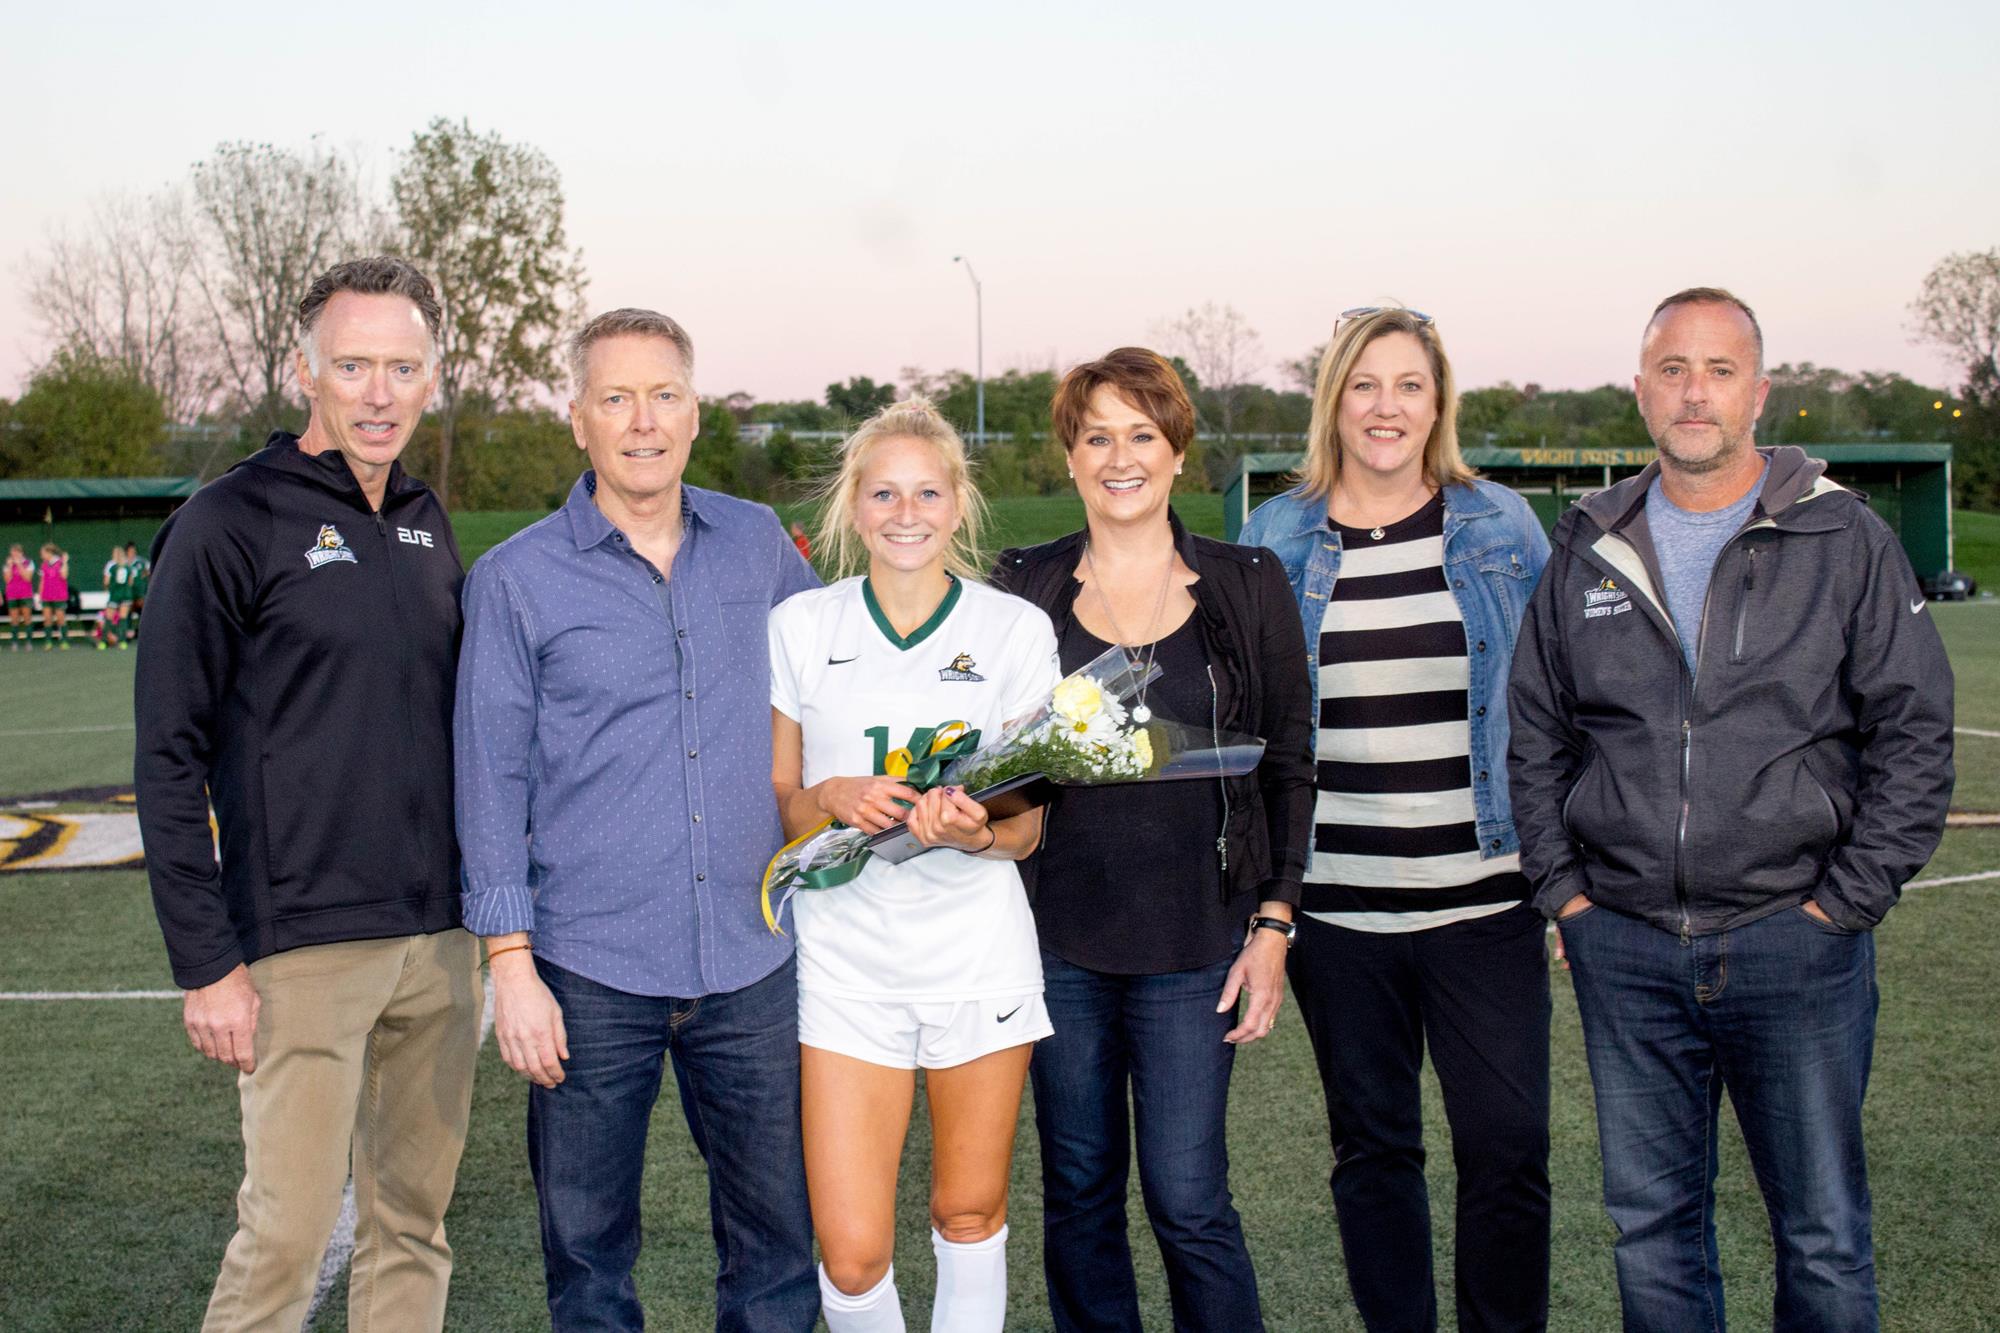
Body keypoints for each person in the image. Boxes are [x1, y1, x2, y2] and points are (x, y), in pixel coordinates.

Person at [1508, 287, 1955, 1332]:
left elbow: (1913, 734)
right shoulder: (1586, 541)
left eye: (1715, 371)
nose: (1692, 392)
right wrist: (1565, 898)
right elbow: (1533, 732)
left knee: (1820, 1235)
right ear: (1638, 390)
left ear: (1757, 392)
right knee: (1651, 1232)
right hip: (1622, 944)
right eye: (1670, 369)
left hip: (1790, 942)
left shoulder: (1840, 534)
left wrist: (1840, 903)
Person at [456, 307, 821, 1331]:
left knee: (776, 1249)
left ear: (694, 412)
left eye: (662, 394)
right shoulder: (516, 579)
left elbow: (832, 685)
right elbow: (489, 780)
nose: (641, 419)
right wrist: (510, 966)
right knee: (587, 1257)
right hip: (586, 969)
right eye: (615, 397)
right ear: (578, 419)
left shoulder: (756, 544)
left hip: (752, 961)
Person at [134, 256, 480, 1332]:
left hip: (440, 938)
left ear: (432, 377)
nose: (380, 392)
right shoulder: (229, 522)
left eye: (402, 367)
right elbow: (165, 752)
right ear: (306, 370)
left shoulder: (427, 520)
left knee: (413, 1223)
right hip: (299, 948)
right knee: (285, 1235)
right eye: (354, 365)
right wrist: (208, 962)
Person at [1241, 307, 1553, 1332]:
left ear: (1437, 401)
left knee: (1505, 1143)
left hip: (1483, 902)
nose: (1386, 406)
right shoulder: (1274, 535)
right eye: (1364, 383)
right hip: (1337, 914)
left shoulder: (1499, 525)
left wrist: (1561, 869)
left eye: (1408, 385)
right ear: (1333, 397)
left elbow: (1559, 700)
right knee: (1373, 1150)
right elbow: (1249, 723)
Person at [992, 347, 1315, 1332]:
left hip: (1197, 939)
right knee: (1079, 1190)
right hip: (1058, 945)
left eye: (1141, 433)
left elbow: (1289, 760)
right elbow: (1000, 767)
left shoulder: (1245, 581)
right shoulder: (1025, 585)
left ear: (1177, 451)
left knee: (1186, 1198)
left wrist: (1273, 921)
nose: (1119, 455)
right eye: (1097, 435)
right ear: (1071, 455)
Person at [770, 398, 1060, 1332]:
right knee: (852, 1255)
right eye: (885, 492)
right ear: (854, 506)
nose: (907, 512)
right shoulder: (801, 625)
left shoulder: (1014, 629)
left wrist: (971, 828)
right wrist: (838, 795)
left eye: (928, 491)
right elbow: (785, 798)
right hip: (848, 961)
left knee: (967, 1210)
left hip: (977, 956)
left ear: (958, 502)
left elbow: (1026, 830)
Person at [96, 543, 135, 649]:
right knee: (123, 618)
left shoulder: (111, 565)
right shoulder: (127, 565)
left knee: (108, 618)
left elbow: (106, 581)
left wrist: (109, 587)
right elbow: (131, 581)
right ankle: (122, 642)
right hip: (126, 594)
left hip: (115, 595)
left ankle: (103, 642)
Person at [38, 543, 70, 649]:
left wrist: (65, 562)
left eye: (43, 553)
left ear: (49, 553)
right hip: (46, 596)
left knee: (60, 619)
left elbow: (64, 576)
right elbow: (42, 581)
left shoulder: (61, 562)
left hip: (59, 596)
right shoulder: (44, 564)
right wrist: (40, 595)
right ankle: (48, 642)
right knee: (47, 619)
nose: (41, 555)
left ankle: (64, 641)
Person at [4, 543, 35, 649]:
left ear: (21, 553)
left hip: (25, 595)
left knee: (27, 618)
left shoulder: (29, 563)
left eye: (17, 552)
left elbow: (27, 578)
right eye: (13, 553)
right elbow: (7, 580)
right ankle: (14, 642)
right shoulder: (7, 564)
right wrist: (9, 566)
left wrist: (19, 565)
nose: (14, 555)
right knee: (14, 619)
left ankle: (29, 642)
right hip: (12, 594)